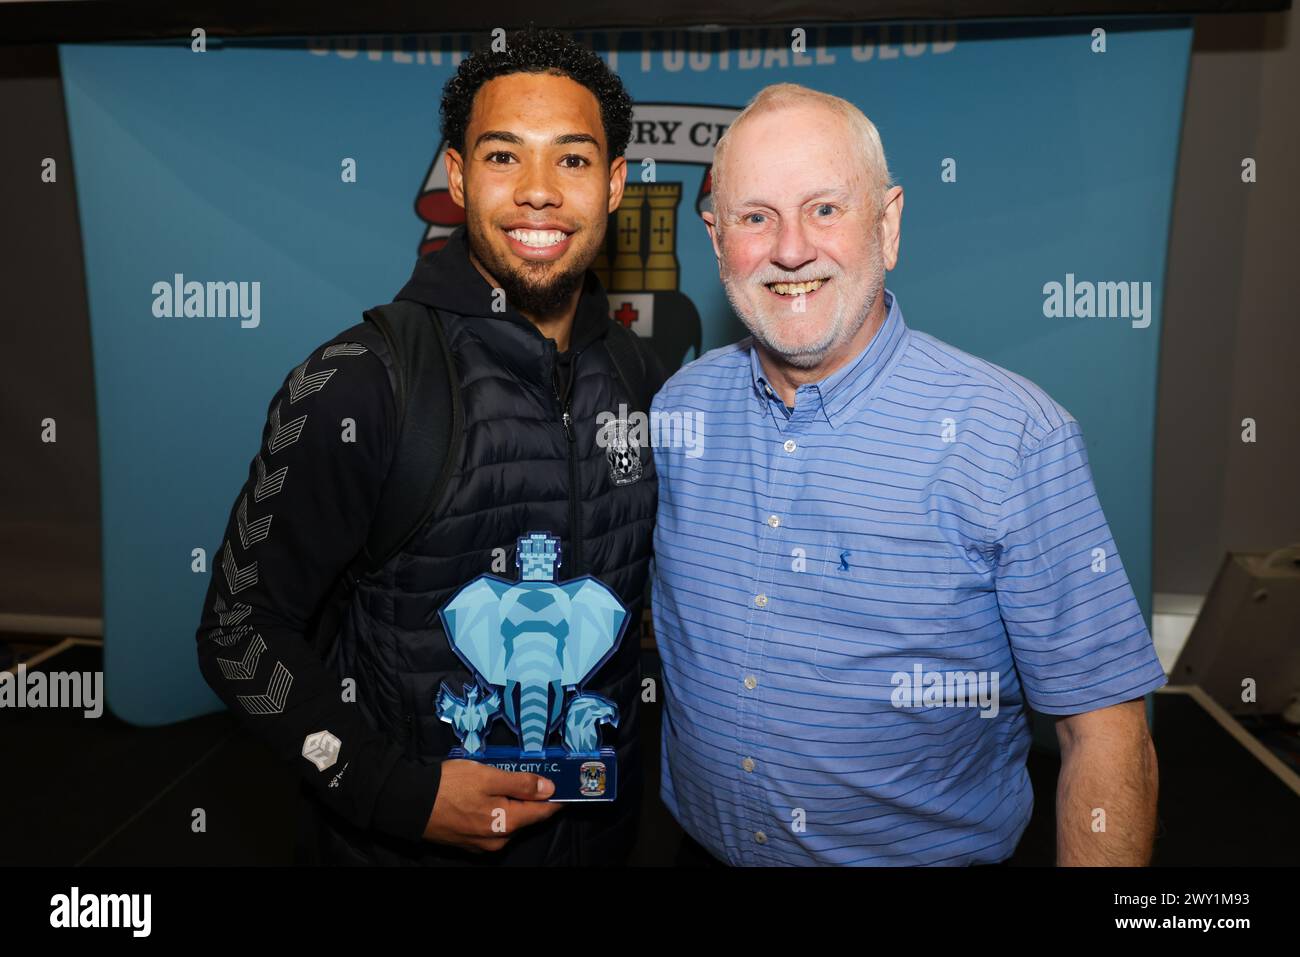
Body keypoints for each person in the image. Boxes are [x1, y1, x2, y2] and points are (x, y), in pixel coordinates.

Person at [651, 83, 1166, 866]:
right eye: (755, 217)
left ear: (888, 225)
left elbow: (1105, 732)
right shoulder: (677, 413)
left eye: (825, 209)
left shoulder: (1014, 439)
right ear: (717, 237)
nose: (791, 249)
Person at [194, 27, 662, 865]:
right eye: (503, 156)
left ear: (616, 183)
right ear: (457, 176)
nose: (539, 192)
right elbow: (238, 631)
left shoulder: (640, 375)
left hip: (606, 843)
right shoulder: (361, 381)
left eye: (573, 160)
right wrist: (391, 791)